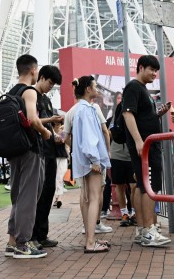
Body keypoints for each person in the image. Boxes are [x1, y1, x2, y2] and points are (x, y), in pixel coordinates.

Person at [121, 55, 172, 247]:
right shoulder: (134, 87)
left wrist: (157, 114)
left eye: (156, 70)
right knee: (150, 185)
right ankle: (149, 229)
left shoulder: (141, 89)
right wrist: (139, 141)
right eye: (151, 69)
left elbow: (139, 115)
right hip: (146, 146)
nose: (154, 73)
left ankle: (142, 229)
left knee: (143, 185)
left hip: (146, 145)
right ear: (141, 68)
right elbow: (128, 113)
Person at [4, 54, 52, 260]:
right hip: (31, 149)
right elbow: (33, 119)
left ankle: (12, 242)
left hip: (14, 149)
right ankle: (23, 243)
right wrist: (45, 132)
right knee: (29, 197)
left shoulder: (10, 92)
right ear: (34, 70)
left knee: (17, 195)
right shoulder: (30, 91)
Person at [70, 76, 111, 254]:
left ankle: (90, 238)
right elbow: (89, 138)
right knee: (94, 198)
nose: (97, 89)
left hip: (83, 160)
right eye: (94, 86)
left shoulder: (78, 109)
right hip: (91, 160)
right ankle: (90, 242)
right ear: (87, 89)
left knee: (87, 198)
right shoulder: (87, 110)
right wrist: (95, 160)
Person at [31, 65, 65, 250]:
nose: (51, 86)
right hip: (38, 151)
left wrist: (57, 133)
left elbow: (49, 126)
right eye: (50, 82)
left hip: (50, 150)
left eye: (54, 84)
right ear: (41, 77)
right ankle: (33, 235)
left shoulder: (47, 100)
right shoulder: (31, 95)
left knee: (49, 192)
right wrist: (51, 120)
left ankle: (42, 234)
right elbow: (32, 120)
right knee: (39, 193)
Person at [107, 98, 135, 226]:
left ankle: (133, 212)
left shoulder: (134, 117)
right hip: (117, 154)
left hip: (130, 155)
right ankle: (125, 213)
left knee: (133, 185)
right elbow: (108, 133)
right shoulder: (113, 119)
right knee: (119, 185)